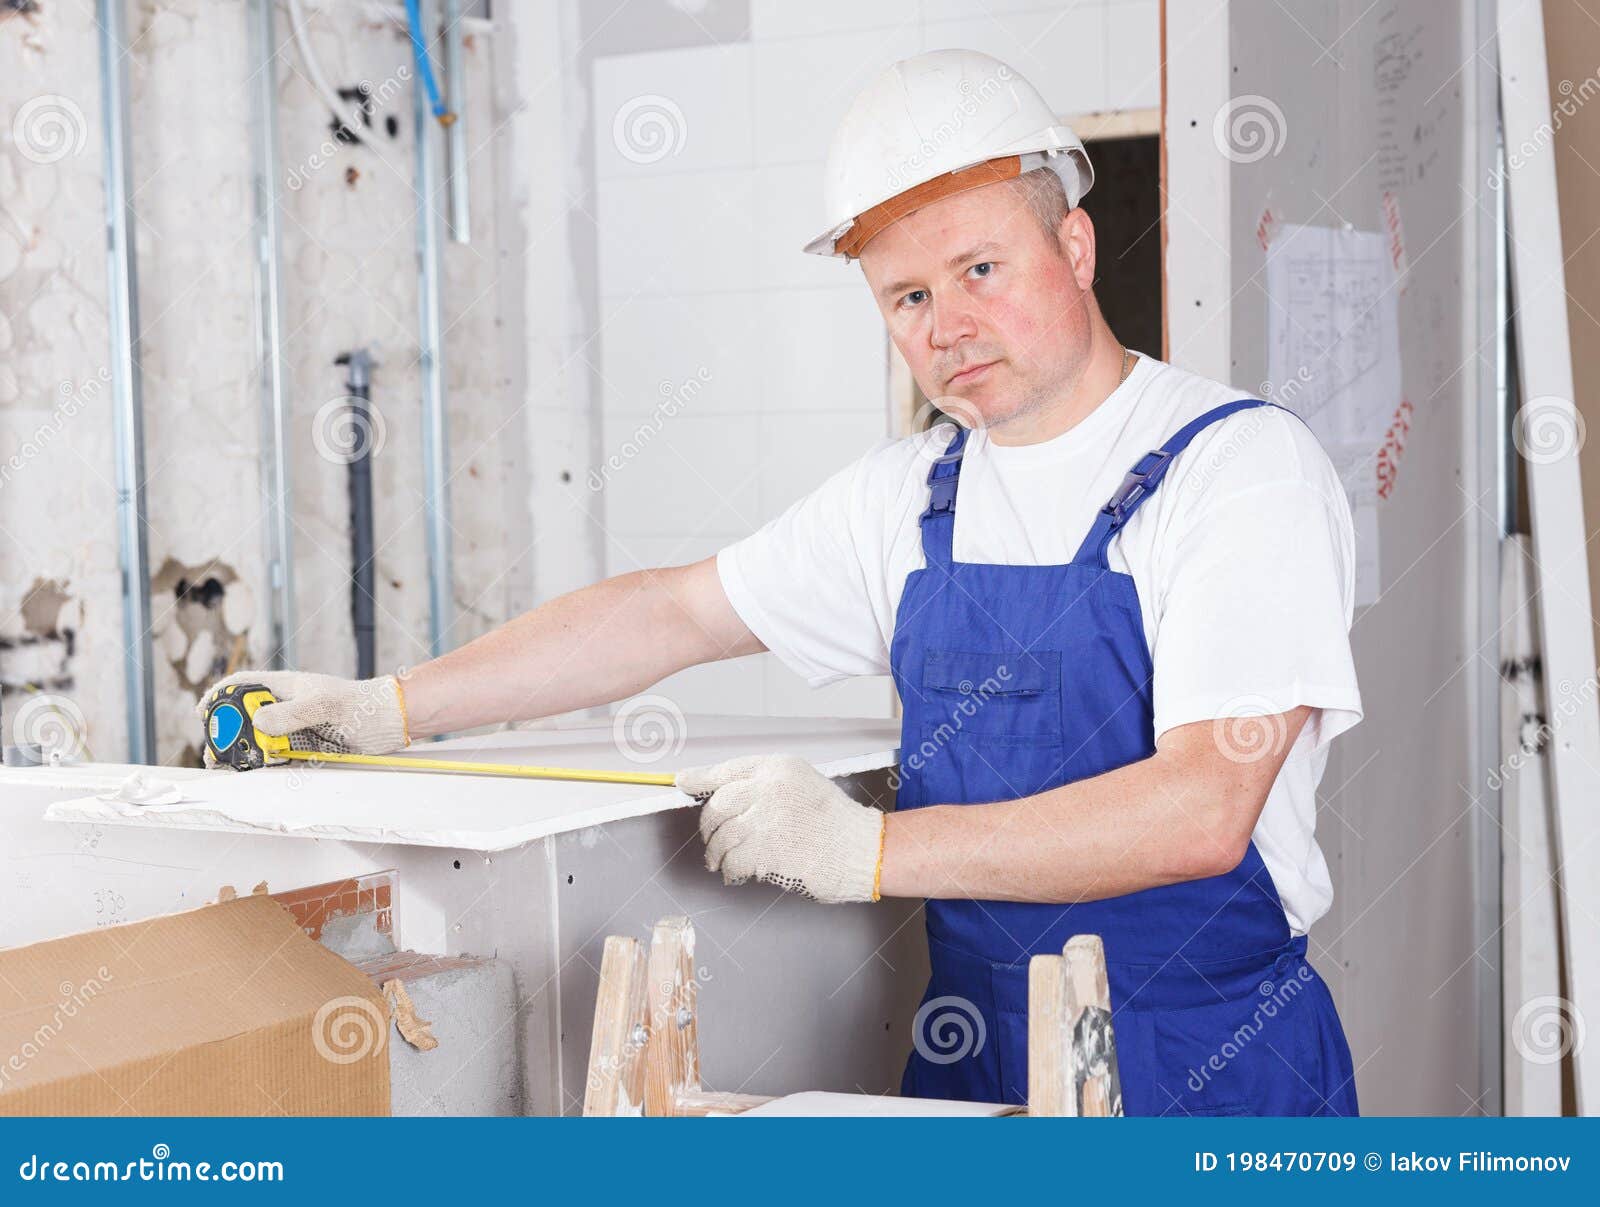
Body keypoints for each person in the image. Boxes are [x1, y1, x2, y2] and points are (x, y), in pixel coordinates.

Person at [202, 49, 1361, 1116]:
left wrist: (865, 852)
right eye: (906, 297)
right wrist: (385, 707)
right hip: (974, 1060)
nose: (947, 323)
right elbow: (667, 612)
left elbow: (1204, 806)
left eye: (980, 268)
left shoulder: (1235, 468)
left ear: (1072, 247)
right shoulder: (911, 497)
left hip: (1207, 1061)